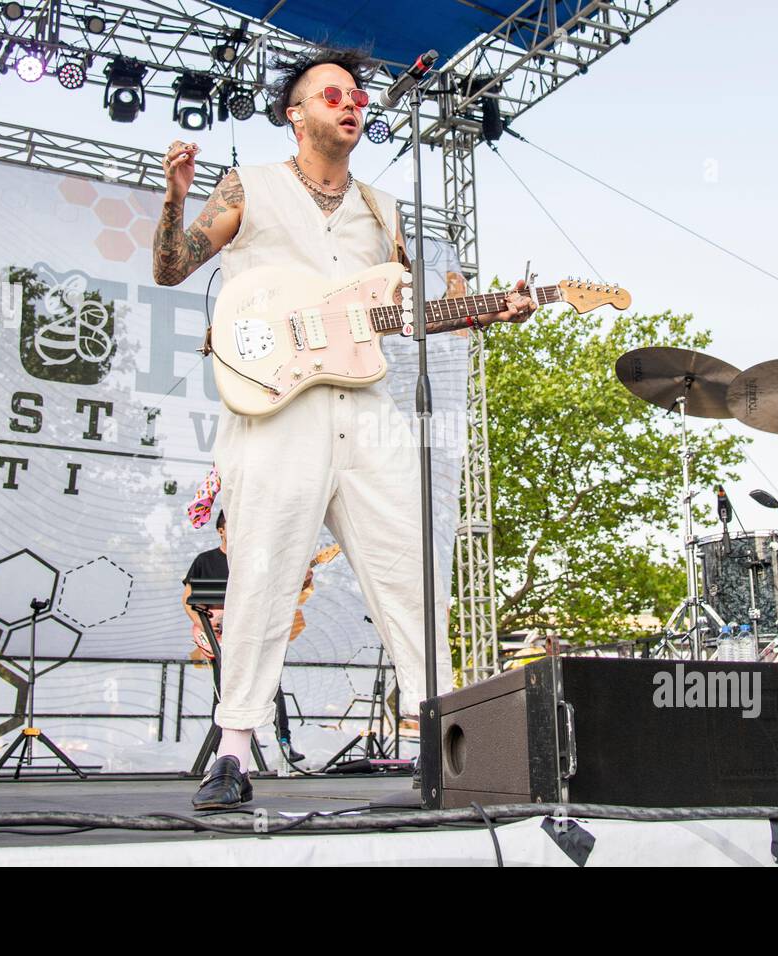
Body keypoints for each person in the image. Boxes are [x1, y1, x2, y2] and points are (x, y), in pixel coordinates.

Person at [153, 46, 536, 808]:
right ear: (295, 113)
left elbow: (397, 316)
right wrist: (173, 200)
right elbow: (171, 268)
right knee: (260, 574)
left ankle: (440, 740)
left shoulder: (381, 209)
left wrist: (487, 308)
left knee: (412, 572)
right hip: (277, 410)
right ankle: (233, 750)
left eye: (358, 94)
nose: (351, 101)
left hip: (365, 411)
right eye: (332, 93)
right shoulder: (249, 187)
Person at [181, 511, 305, 765]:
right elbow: (188, 599)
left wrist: (300, 580)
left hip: (249, 634)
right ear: (221, 531)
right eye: (231, 526)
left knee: (271, 685)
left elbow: (275, 593)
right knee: (224, 689)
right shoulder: (205, 560)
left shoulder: (254, 561)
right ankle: (224, 750)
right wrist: (206, 625)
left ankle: (284, 743)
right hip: (216, 634)